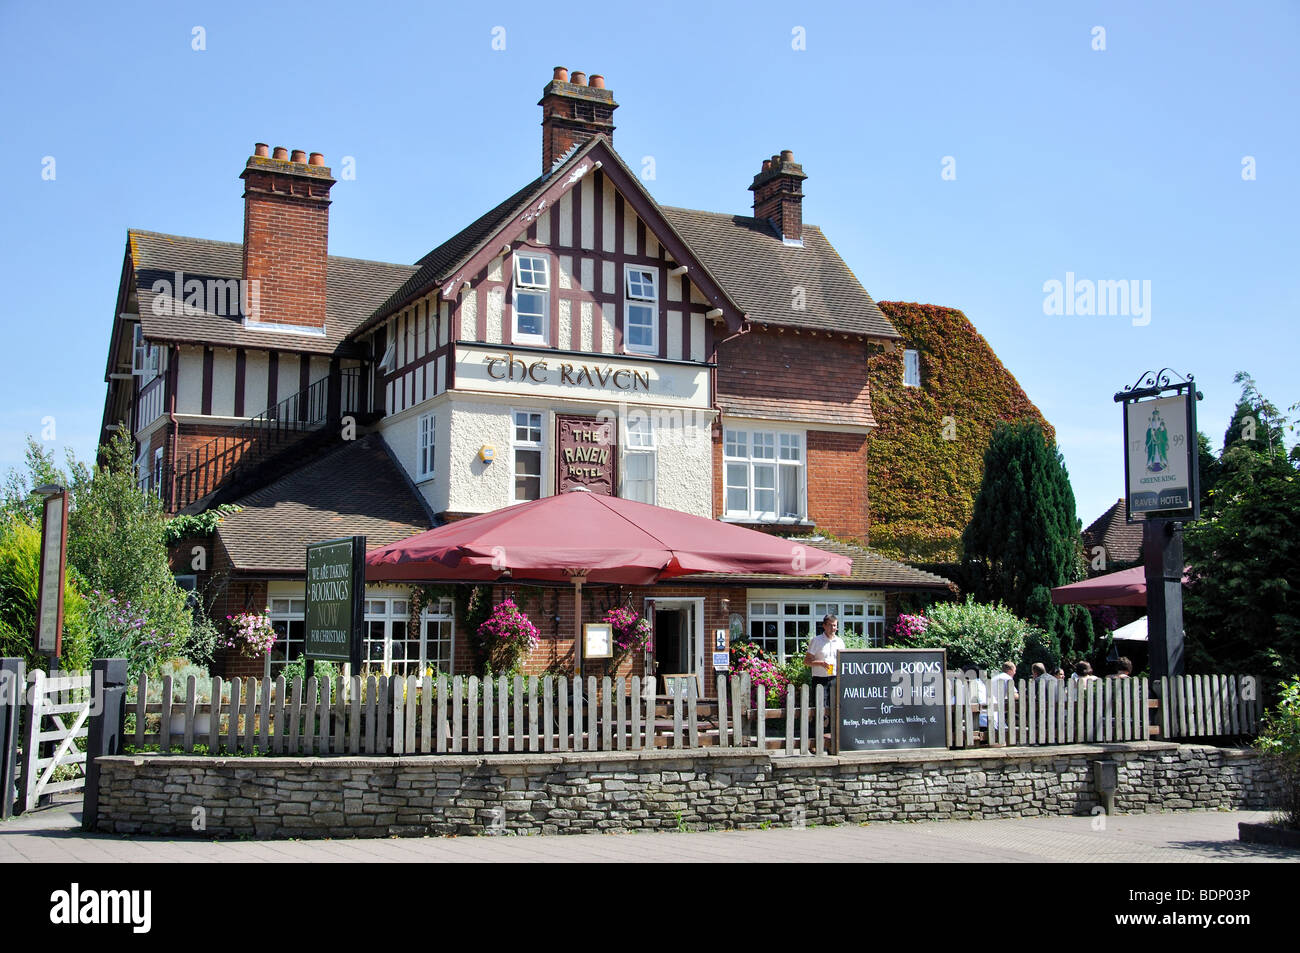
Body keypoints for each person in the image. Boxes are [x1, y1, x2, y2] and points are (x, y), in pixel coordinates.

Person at [804, 614, 844, 700]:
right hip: (820, 679)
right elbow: (806, 661)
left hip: (834, 678)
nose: (833, 628)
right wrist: (821, 663)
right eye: (830, 625)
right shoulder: (816, 641)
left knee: (835, 708)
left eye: (835, 625)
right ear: (824, 626)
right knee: (820, 708)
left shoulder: (840, 642)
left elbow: (843, 660)